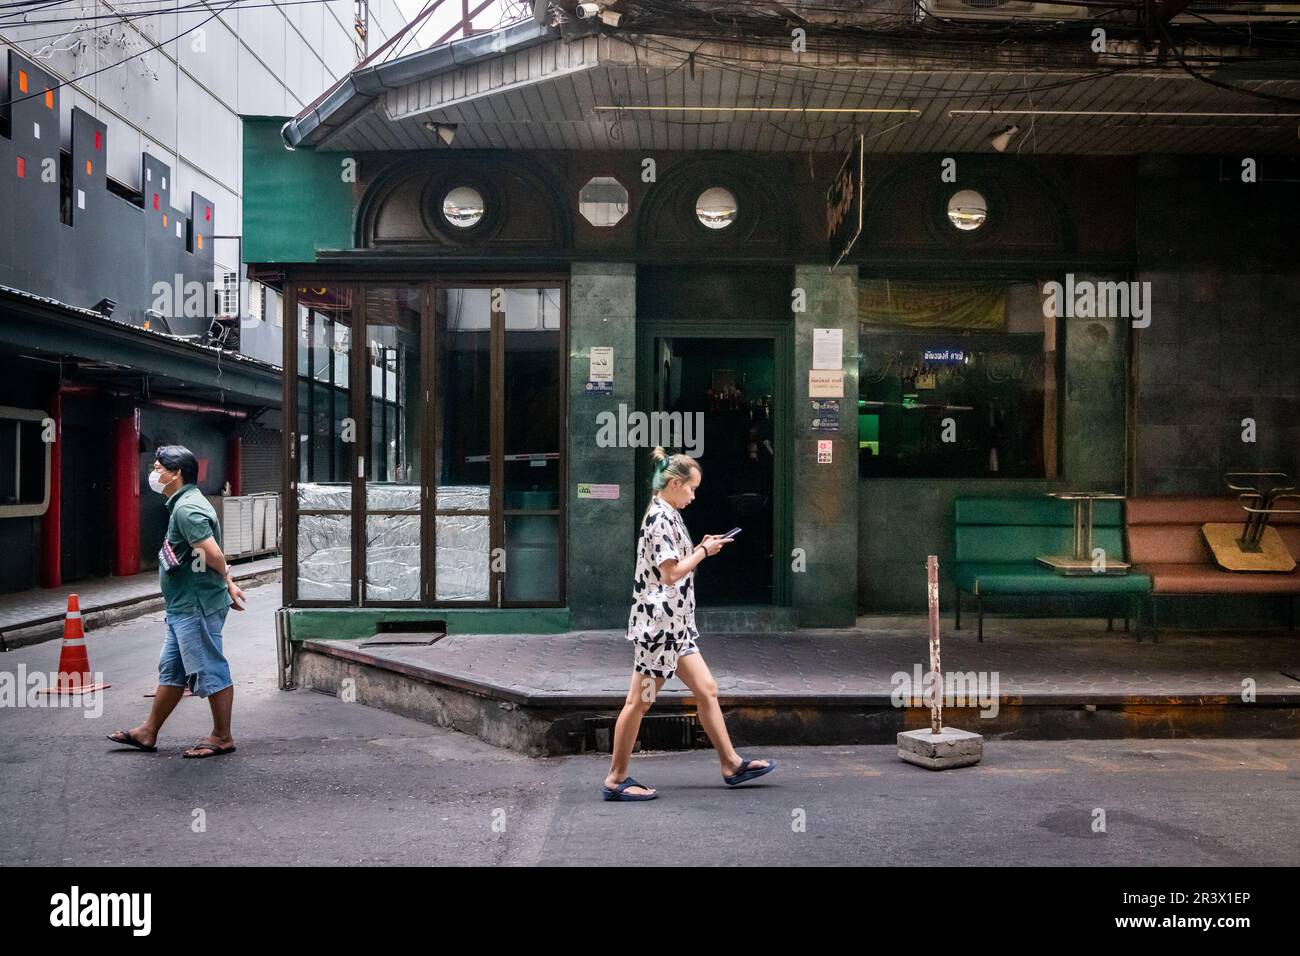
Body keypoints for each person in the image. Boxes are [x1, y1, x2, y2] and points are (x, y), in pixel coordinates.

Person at [602, 447, 777, 801]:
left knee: (707, 689)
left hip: (675, 626)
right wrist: (704, 552)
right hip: (660, 629)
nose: (694, 496)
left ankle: (731, 764)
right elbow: (671, 573)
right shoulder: (660, 518)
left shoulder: (667, 512)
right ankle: (616, 779)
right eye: (692, 489)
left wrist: (700, 546)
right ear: (676, 483)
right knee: (639, 702)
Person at [107, 445, 245, 759]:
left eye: (158, 468)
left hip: (194, 605)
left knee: (210, 667)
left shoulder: (187, 509)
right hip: (184, 605)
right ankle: (148, 732)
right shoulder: (185, 502)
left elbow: (212, 554)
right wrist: (228, 584)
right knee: (172, 671)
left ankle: (222, 736)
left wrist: (228, 582)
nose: (153, 474)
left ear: (177, 473)